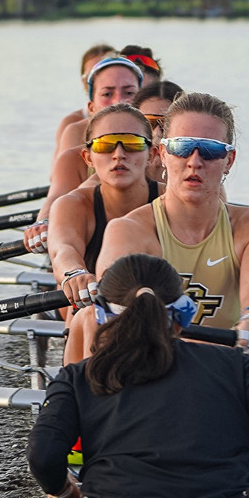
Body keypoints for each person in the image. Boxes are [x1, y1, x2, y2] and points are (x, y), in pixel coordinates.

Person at [28, 253, 249, 498]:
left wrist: (65, 494)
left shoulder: (78, 375)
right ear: (184, 314)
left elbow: (43, 455)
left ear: (100, 316)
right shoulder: (235, 364)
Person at [95, 92, 249, 356]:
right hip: (146, 364)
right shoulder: (128, 231)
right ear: (162, 153)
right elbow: (111, 315)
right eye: (182, 147)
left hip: (218, 367)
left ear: (229, 160)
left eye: (210, 150)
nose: (195, 161)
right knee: (83, 322)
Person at [45, 104, 162, 363]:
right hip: (93, 328)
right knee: (88, 317)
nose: (118, 154)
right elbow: (63, 250)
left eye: (132, 143)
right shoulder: (72, 205)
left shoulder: (172, 202)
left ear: (152, 153)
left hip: (164, 326)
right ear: (88, 157)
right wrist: (74, 273)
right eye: (105, 145)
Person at [28, 55, 147, 247]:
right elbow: (57, 195)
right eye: (107, 94)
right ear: (91, 107)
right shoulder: (72, 156)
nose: (119, 102)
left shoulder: (157, 150)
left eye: (129, 93)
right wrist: (44, 222)